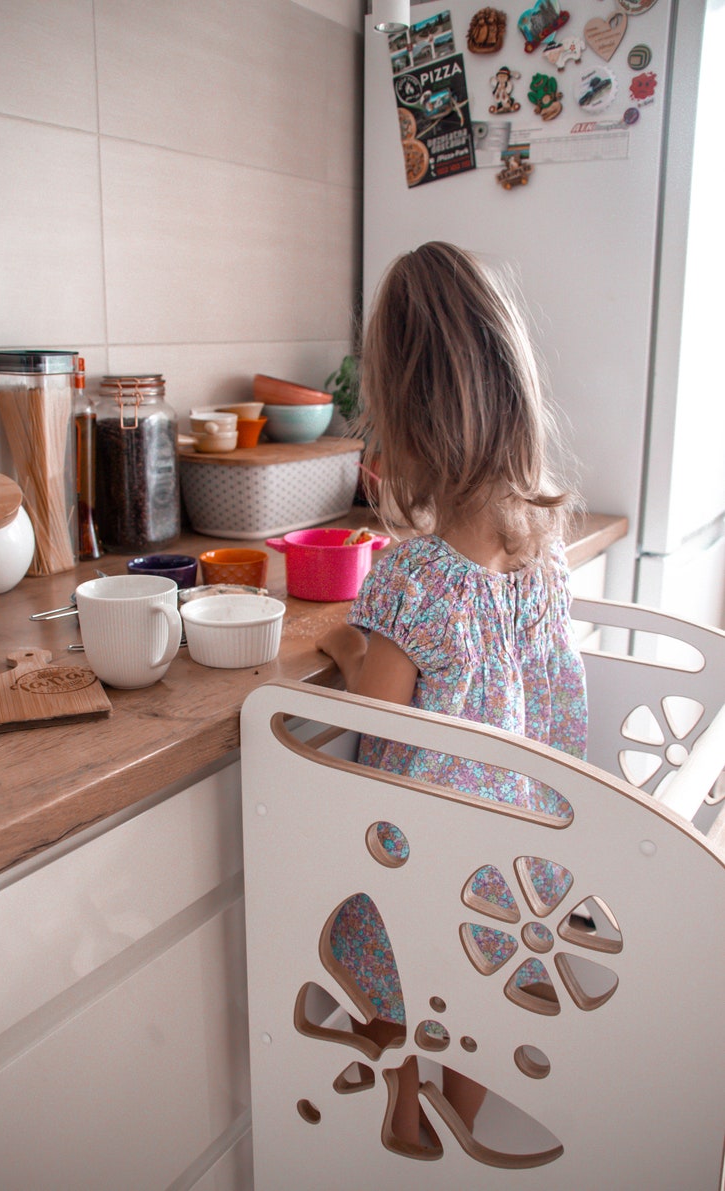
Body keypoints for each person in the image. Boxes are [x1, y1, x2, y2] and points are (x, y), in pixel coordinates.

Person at [316, 241, 587, 1152]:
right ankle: (454, 1127)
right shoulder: (543, 554)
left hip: (430, 869)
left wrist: (347, 646)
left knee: (374, 931)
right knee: (477, 1000)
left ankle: (399, 1112)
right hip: (523, 868)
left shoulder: (417, 579)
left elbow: (378, 711)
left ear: (408, 420)